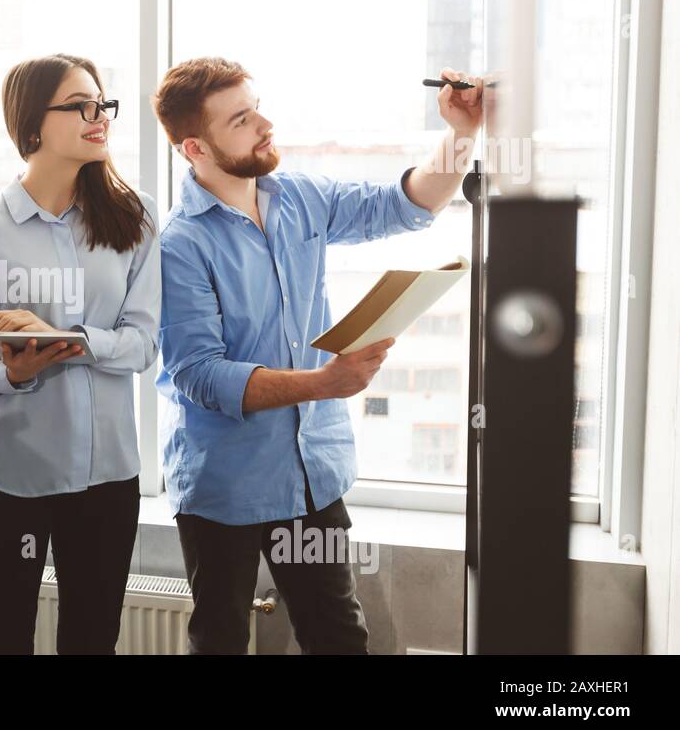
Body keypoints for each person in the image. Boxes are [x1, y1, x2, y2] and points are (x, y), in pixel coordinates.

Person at [152, 57, 482, 654]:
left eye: (258, 108)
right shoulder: (180, 243)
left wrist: (462, 135)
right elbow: (201, 376)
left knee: (338, 638)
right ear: (195, 147)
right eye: (243, 119)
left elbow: (406, 205)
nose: (265, 125)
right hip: (224, 485)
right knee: (221, 640)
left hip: (310, 475)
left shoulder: (298, 197)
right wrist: (325, 383)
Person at [0, 54, 159, 654]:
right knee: (4, 642)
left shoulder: (134, 217)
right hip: (6, 480)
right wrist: (10, 373)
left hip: (106, 479)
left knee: (92, 643)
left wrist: (72, 340)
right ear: (32, 124)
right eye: (80, 105)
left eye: (102, 104)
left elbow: (143, 344)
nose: (99, 117)